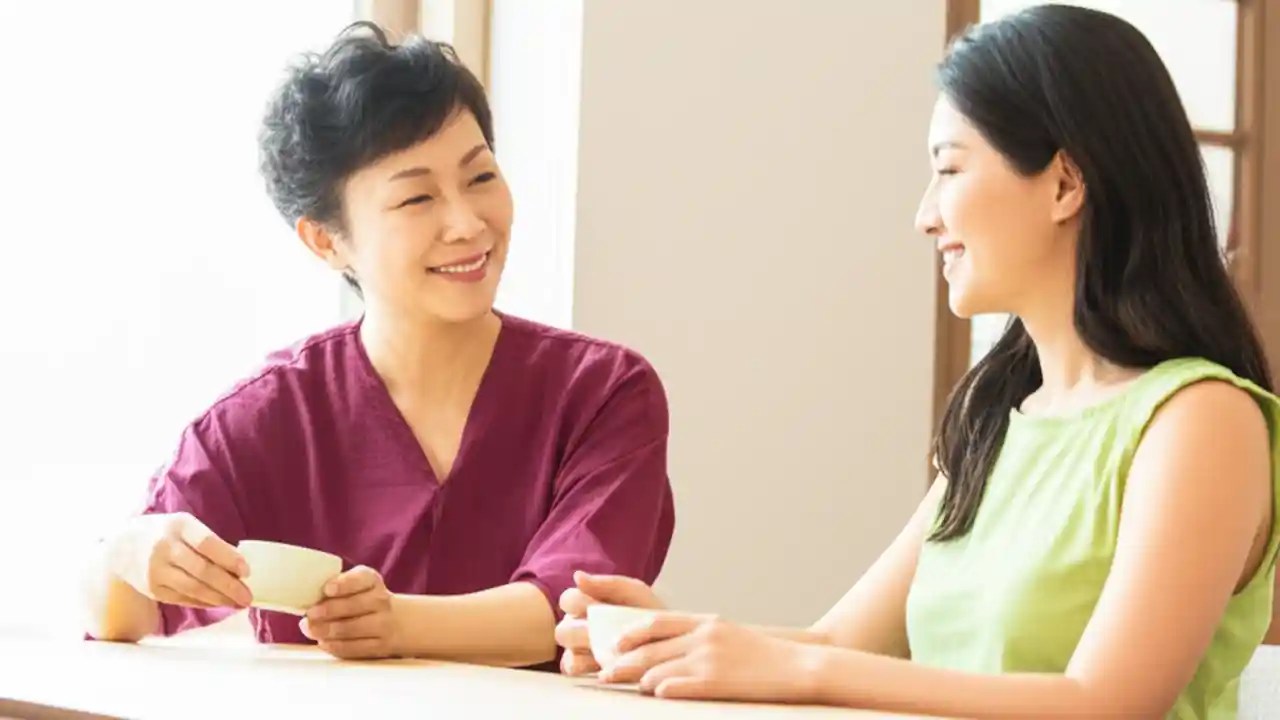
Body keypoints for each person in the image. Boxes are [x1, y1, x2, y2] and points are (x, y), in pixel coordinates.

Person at [555, 6, 1280, 716]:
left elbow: (1106, 702)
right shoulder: (999, 420)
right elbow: (837, 643)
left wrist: (795, 666)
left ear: (1064, 184)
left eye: (950, 170)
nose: (925, 213)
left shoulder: (1201, 421)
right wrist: (665, 642)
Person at [81, 22, 675, 667]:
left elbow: (574, 609)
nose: (468, 223)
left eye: (480, 177)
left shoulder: (605, 392)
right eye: (417, 197)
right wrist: (128, 553)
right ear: (326, 241)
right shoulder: (264, 418)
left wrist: (397, 623)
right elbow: (122, 615)